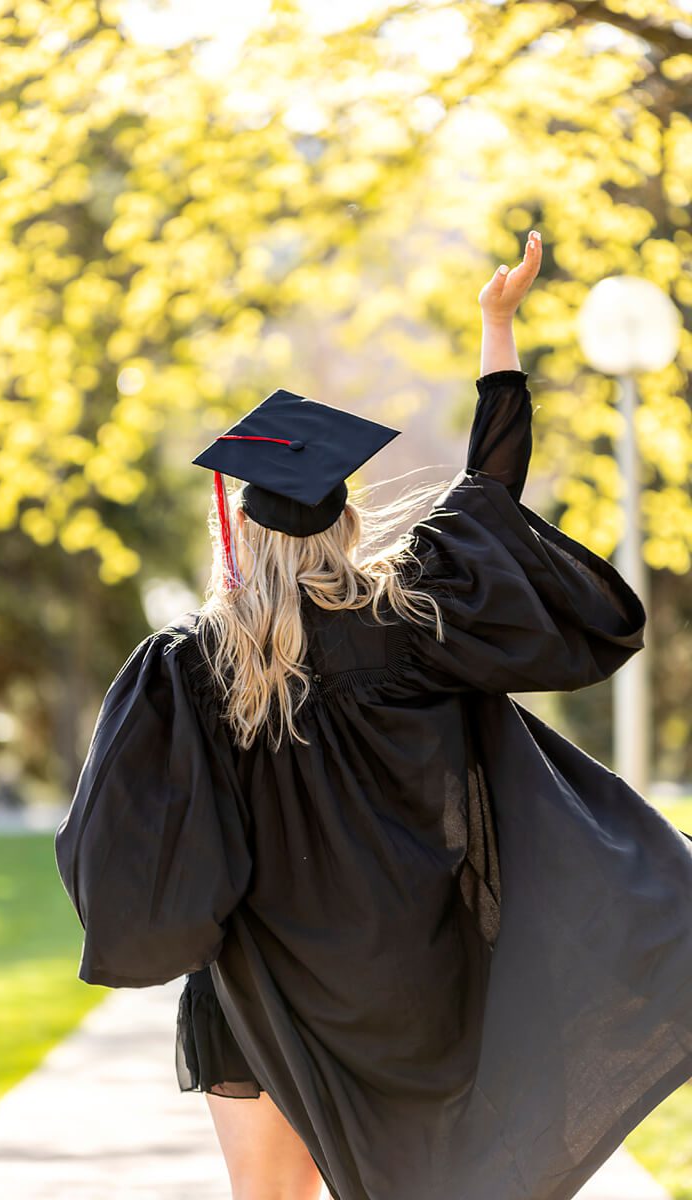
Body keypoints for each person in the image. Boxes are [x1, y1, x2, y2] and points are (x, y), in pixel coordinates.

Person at [55, 231, 692, 1200]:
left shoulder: (189, 669)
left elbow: (127, 844)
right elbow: (490, 491)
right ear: (346, 518)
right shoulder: (416, 619)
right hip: (412, 986)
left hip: (262, 991)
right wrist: (495, 328)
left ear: (239, 528)